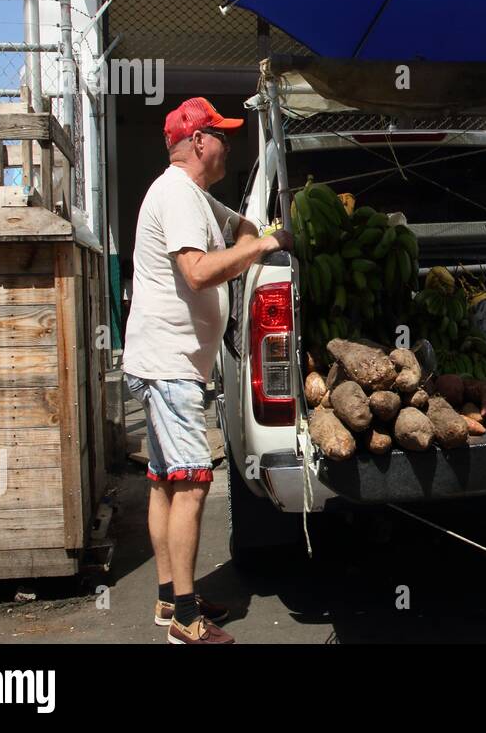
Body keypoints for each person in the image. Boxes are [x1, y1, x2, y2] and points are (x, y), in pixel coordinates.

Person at [123, 97, 293, 644]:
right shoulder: (176, 195)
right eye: (220, 134)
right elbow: (198, 273)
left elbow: (240, 226)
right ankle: (184, 619)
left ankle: (169, 596)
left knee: (164, 484)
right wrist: (265, 245)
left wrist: (251, 237)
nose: (228, 143)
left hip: (165, 361)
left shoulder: (195, 197)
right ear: (198, 141)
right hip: (170, 365)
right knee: (193, 483)